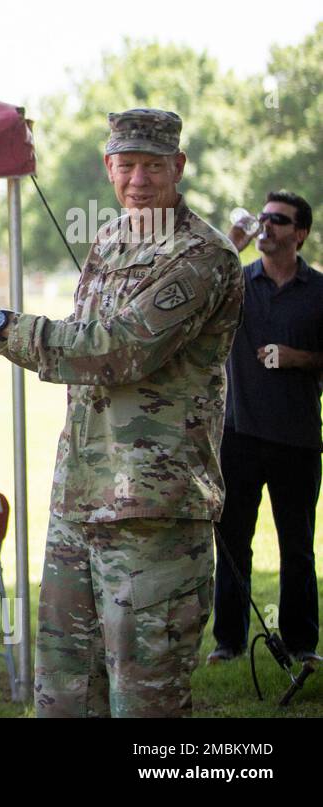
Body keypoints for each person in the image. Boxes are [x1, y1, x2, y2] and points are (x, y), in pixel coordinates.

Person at [0, 109, 243, 717]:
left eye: (152, 165)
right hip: (80, 500)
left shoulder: (203, 257)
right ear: (108, 168)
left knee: (147, 700)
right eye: (126, 165)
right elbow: (79, 344)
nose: (138, 179)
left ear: (179, 167)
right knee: (64, 691)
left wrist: (0, 322)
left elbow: (121, 348)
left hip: (154, 512)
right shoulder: (111, 239)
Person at [208, 191, 322, 666]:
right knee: (234, 545)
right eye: (262, 219)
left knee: (298, 548)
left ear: (300, 233)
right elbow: (201, 286)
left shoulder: (318, 291)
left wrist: (300, 359)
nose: (266, 226)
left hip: (298, 439)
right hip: (238, 434)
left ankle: (302, 644)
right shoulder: (235, 281)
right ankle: (229, 642)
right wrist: (232, 242)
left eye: (278, 220)